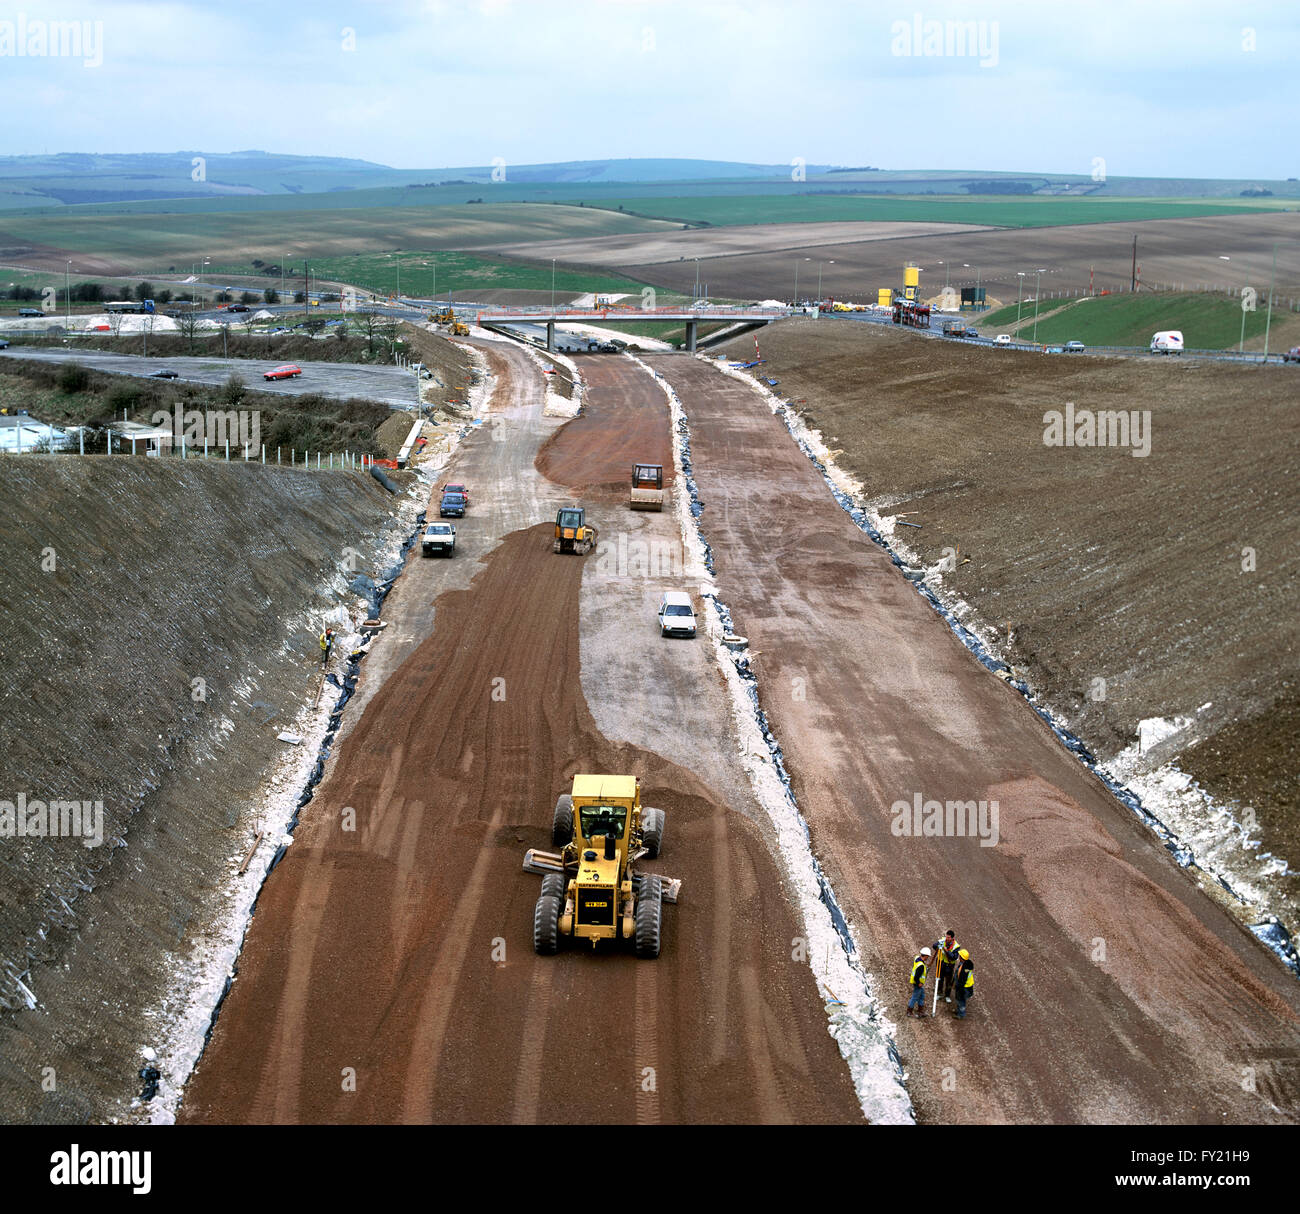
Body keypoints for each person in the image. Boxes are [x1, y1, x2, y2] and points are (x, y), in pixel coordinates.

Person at [931, 930, 961, 1004]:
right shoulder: (942, 940)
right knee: (940, 978)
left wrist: (947, 951)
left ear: (952, 938)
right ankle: (939, 993)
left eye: (948, 937)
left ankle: (947, 995)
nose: (946, 938)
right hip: (941, 963)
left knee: (948, 981)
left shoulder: (956, 946)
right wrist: (939, 945)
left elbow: (954, 957)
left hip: (949, 966)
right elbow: (934, 946)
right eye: (946, 936)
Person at [906, 947, 931, 1017]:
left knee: (922, 995)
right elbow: (916, 977)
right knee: (915, 997)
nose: (928, 957)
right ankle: (909, 1011)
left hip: (917, 983)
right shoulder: (921, 966)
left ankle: (920, 1011)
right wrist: (919, 983)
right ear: (925, 955)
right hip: (917, 983)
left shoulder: (917, 958)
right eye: (928, 956)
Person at [953, 948, 975, 1019]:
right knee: (960, 999)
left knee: (961, 1000)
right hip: (966, 986)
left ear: (961, 958)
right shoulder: (966, 964)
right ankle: (959, 1011)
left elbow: (962, 980)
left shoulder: (964, 969)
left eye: (960, 955)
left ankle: (961, 1014)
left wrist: (958, 987)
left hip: (964, 987)